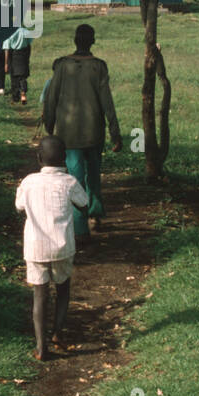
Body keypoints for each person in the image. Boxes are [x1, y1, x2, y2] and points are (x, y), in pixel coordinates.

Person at [42, 24, 122, 243]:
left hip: (68, 135)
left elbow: (51, 98)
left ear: (74, 40)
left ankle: (79, 226)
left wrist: (49, 125)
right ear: (92, 41)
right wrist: (115, 132)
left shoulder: (61, 66)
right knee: (93, 174)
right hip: (94, 131)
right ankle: (95, 215)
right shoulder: (99, 67)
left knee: (74, 178)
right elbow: (108, 102)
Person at [16, 135, 88, 361]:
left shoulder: (28, 182)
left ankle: (40, 347)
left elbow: (19, 207)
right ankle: (57, 333)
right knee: (63, 289)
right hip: (62, 247)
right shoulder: (69, 182)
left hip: (35, 247)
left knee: (40, 295)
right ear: (65, 159)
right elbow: (84, 204)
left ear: (38, 158)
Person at [3, 26, 34, 104]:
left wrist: (6, 63)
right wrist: (28, 57)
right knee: (23, 76)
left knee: (14, 77)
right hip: (24, 54)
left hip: (13, 55)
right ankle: (23, 92)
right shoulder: (25, 31)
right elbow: (29, 44)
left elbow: (7, 49)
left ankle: (15, 97)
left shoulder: (9, 33)